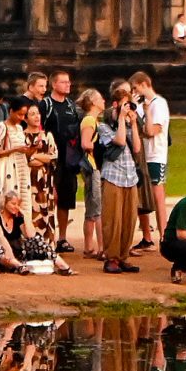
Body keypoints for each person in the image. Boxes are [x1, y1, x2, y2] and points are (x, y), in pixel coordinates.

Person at [96, 80, 142, 274]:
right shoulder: (103, 126)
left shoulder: (129, 124)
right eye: (124, 104)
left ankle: (123, 256)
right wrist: (122, 119)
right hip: (113, 176)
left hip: (130, 177)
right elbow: (120, 141)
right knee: (112, 219)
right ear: (115, 105)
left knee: (129, 219)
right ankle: (111, 257)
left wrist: (133, 122)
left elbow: (137, 148)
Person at [23, 104, 69, 273]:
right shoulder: (22, 137)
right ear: (26, 117)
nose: (36, 117)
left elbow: (53, 158)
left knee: (46, 214)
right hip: (28, 182)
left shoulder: (47, 136)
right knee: (30, 213)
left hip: (45, 183)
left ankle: (48, 249)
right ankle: (31, 248)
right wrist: (38, 158)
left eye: (38, 114)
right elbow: (24, 159)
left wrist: (34, 156)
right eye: (32, 114)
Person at [42, 70, 82, 252]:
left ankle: (62, 237)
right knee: (49, 197)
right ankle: (46, 236)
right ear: (54, 84)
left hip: (69, 159)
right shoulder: (46, 105)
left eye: (69, 82)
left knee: (66, 199)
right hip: (51, 158)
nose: (68, 85)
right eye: (64, 82)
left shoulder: (71, 106)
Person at [131, 72, 170, 248]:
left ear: (144, 84)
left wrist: (146, 114)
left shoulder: (159, 104)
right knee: (142, 196)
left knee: (157, 196)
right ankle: (147, 236)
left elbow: (152, 131)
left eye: (136, 88)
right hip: (142, 155)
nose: (135, 92)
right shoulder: (140, 106)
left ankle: (164, 235)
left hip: (155, 155)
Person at [0, 190, 64, 275]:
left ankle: (63, 266)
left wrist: (25, 216)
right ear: (5, 203)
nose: (16, 207)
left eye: (18, 205)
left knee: (36, 240)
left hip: (17, 255)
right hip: (0, 258)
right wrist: (11, 258)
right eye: (13, 204)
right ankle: (18, 266)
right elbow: (0, 237)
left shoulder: (18, 219)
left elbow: (31, 236)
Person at [74, 88, 105, 260]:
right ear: (93, 102)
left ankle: (90, 247)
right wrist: (103, 148)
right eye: (100, 98)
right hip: (92, 166)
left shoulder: (92, 120)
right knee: (97, 208)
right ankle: (99, 247)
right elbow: (86, 143)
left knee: (93, 208)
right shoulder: (89, 120)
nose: (103, 101)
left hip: (92, 166)